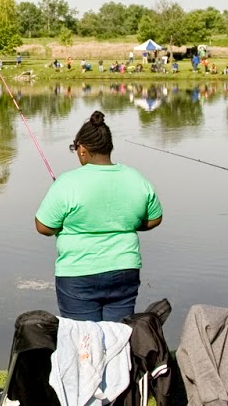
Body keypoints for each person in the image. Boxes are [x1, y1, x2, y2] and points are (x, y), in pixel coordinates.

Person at [34, 111, 163, 322]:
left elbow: (43, 227)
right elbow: (155, 218)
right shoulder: (136, 178)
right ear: (109, 148)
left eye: (76, 149)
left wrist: (68, 224)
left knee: (83, 342)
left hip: (78, 275)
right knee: (118, 339)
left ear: (82, 150)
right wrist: (125, 222)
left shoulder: (67, 183)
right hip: (124, 270)